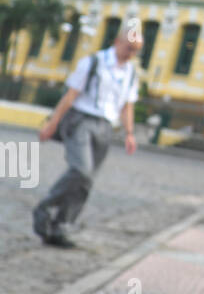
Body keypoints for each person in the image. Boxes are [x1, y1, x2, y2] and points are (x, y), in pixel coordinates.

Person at [33, 18, 143, 248]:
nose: (131, 53)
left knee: (86, 182)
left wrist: (129, 133)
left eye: (136, 50)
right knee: (80, 170)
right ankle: (46, 208)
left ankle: (61, 227)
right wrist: (52, 123)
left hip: (106, 127)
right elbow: (70, 95)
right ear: (117, 41)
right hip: (81, 121)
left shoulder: (131, 73)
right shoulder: (93, 62)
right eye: (129, 48)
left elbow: (127, 105)